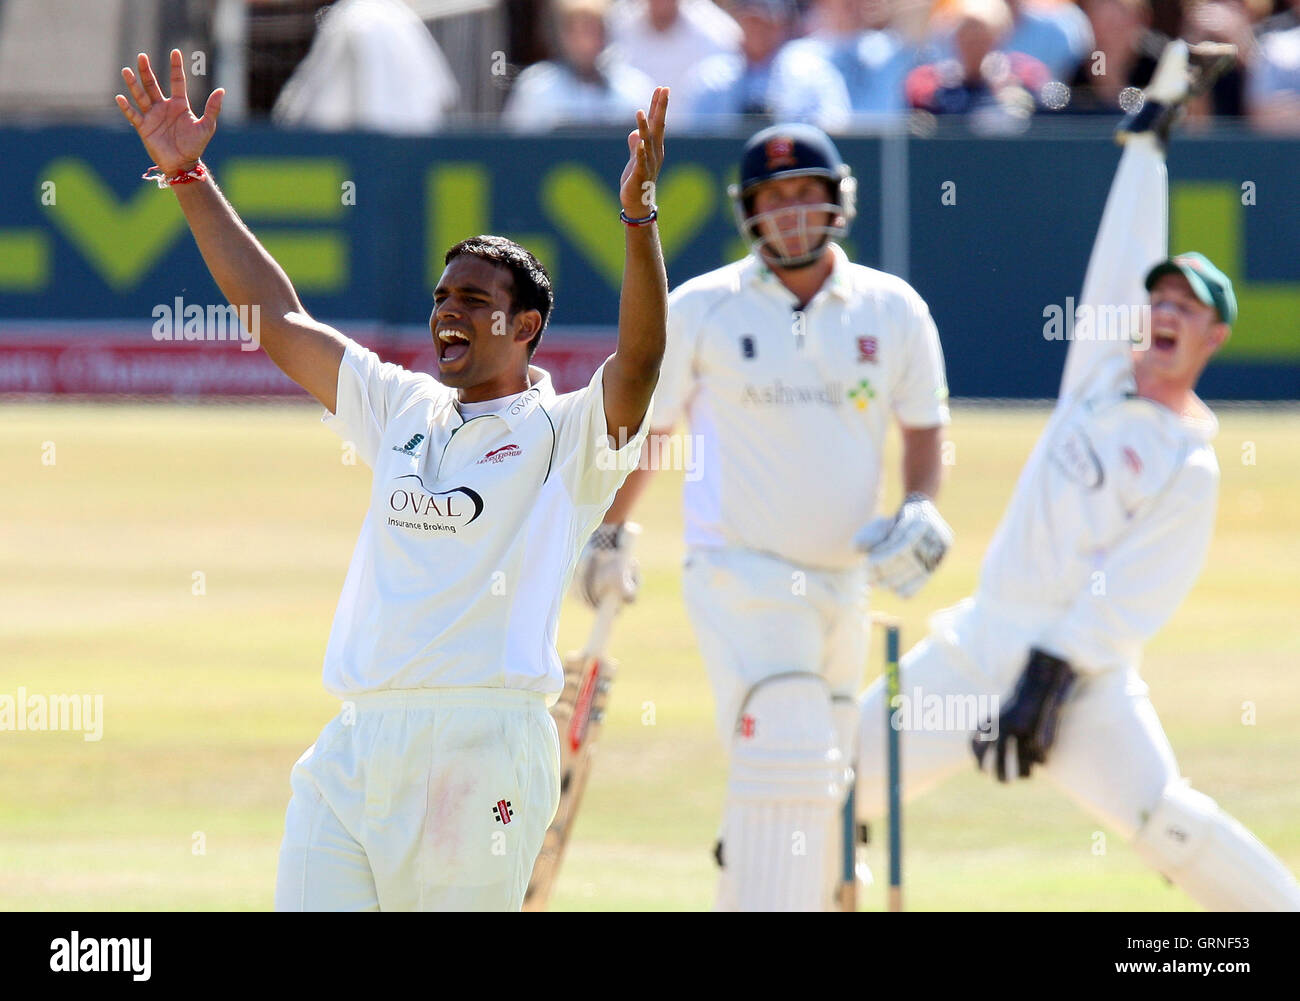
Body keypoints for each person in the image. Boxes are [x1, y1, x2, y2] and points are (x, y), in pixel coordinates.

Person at [115, 49, 670, 911]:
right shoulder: (401, 406)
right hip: (355, 744)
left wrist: (638, 224)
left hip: (482, 750)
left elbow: (638, 364)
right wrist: (186, 173)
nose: (447, 310)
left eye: (473, 300)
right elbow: (279, 318)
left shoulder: (567, 435)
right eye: (442, 294)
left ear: (524, 327)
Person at [853, 40, 1300, 910]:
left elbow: (1134, 592)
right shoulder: (1096, 374)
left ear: (1214, 340)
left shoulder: (1191, 460)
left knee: (1167, 821)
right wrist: (1149, 143)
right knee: (829, 785)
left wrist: (1050, 679)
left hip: (1086, 685)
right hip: (977, 649)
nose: (1168, 314)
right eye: (1161, 301)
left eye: (1191, 311)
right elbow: (1122, 252)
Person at [575, 123, 953, 910]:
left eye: (805, 193)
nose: (790, 211)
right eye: (773, 197)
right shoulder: (704, 306)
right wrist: (606, 530)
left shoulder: (894, 309)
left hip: (848, 578)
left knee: (821, 776)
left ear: (836, 200)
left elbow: (925, 428)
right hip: (739, 572)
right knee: (788, 740)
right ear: (749, 211)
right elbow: (653, 433)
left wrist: (921, 505)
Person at [679, 0, 851, 131]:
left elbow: (835, 128)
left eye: (767, 21)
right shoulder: (710, 78)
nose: (758, 28)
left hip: (790, 171)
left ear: (783, 23)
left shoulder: (812, 73)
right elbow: (692, 138)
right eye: (752, 20)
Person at [502, 0, 655, 132]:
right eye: (576, 31)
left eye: (592, 30)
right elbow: (515, 144)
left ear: (605, 34)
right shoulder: (535, 87)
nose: (585, 42)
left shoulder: (634, 89)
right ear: (562, 36)